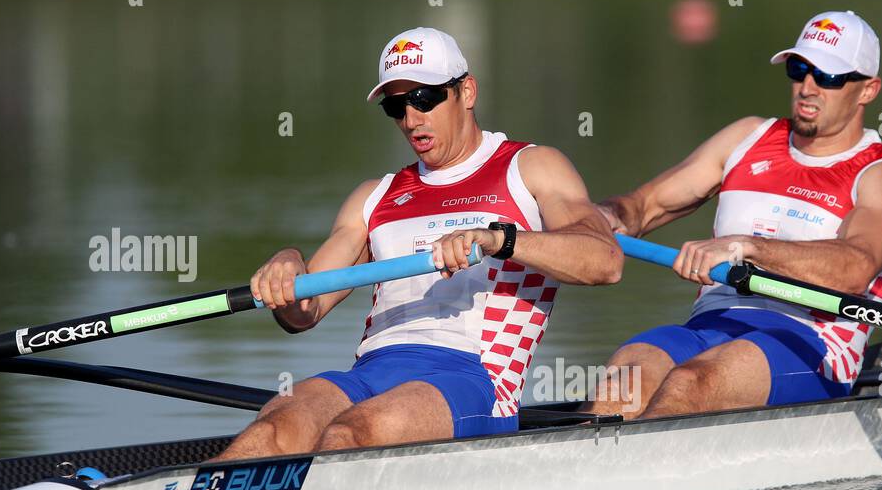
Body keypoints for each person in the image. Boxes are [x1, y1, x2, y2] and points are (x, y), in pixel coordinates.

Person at [219, 27, 621, 459]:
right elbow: (304, 311)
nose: (411, 119)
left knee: (348, 436)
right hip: (371, 373)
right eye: (396, 105)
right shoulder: (375, 195)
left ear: (467, 92)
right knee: (271, 430)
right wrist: (286, 265)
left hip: (472, 379)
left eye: (425, 99)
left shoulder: (531, 167)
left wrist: (497, 239)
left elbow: (605, 260)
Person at [588, 10, 882, 419]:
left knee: (692, 382)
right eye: (799, 70)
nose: (808, 88)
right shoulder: (747, 138)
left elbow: (856, 268)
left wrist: (745, 247)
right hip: (712, 325)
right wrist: (601, 216)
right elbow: (642, 207)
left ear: (868, 90)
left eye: (829, 77)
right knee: (625, 380)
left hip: (811, 342)